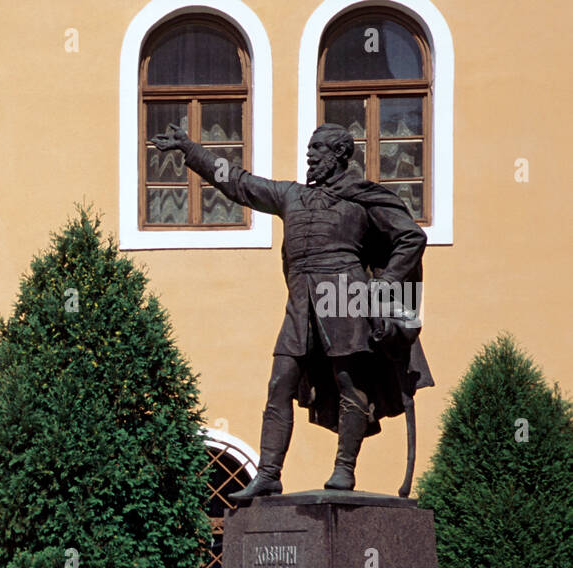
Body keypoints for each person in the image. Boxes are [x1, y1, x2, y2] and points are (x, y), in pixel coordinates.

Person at [149, 122, 433, 498]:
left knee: (350, 382)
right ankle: (269, 473)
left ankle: (344, 470)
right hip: (301, 298)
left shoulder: (362, 199)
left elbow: (411, 236)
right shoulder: (290, 195)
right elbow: (238, 183)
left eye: (317, 149)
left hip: (344, 293)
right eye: (309, 148)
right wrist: (190, 150)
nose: (310, 155)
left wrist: (383, 285)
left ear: (339, 156)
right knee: (279, 383)